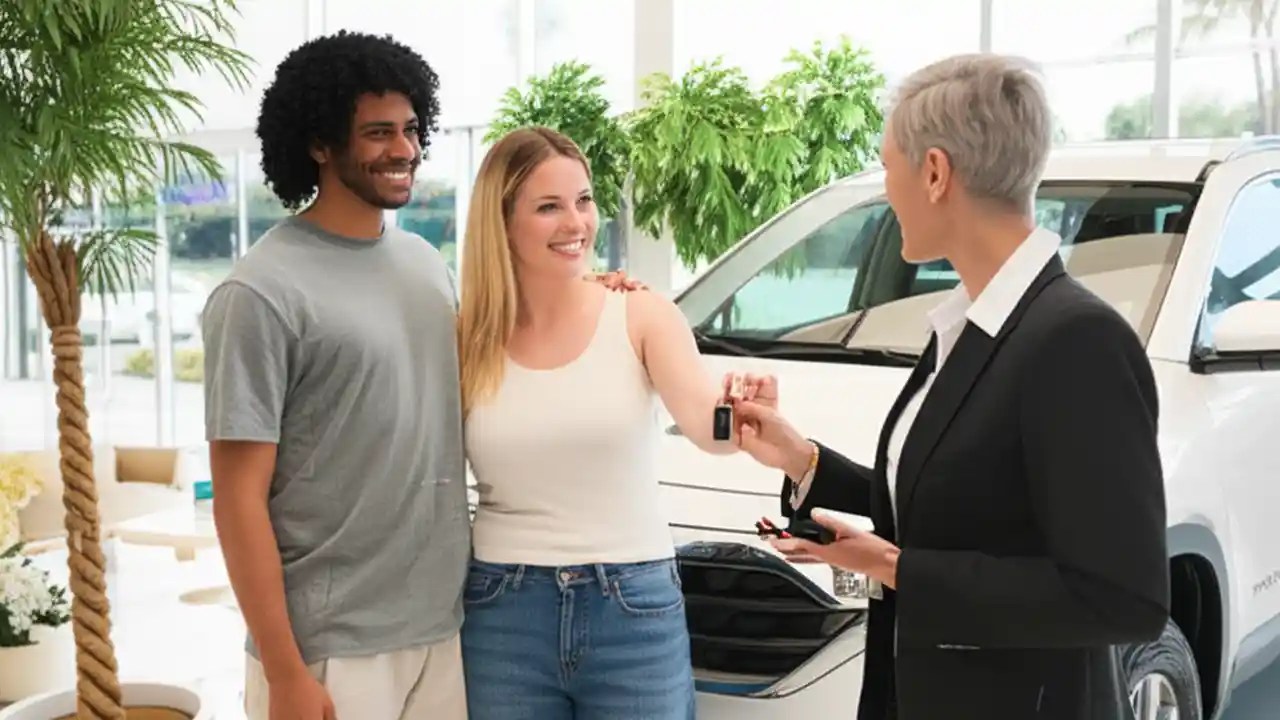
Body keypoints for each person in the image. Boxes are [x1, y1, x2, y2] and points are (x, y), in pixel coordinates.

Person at [202, 33, 638, 720]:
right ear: (319, 143)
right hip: (329, 649)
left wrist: (592, 290)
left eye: (409, 129)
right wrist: (285, 671)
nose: (402, 149)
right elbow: (236, 500)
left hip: (445, 628)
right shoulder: (259, 293)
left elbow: (500, 355)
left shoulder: (424, 265)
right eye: (377, 133)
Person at [731, 53, 1170, 720]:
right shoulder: (972, 324)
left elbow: (1121, 596)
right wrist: (801, 460)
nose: (886, 190)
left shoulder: (1075, 341)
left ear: (934, 172)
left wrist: (895, 567)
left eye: (887, 167)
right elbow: (954, 508)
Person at [455, 126, 769, 720]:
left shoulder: (641, 314)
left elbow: (712, 429)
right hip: (503, 611)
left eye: (584, 200)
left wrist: (749, 414)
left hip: (633, 608)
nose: (576, 223)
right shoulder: (465, 337)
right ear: (501, 222)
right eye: (549, 207)